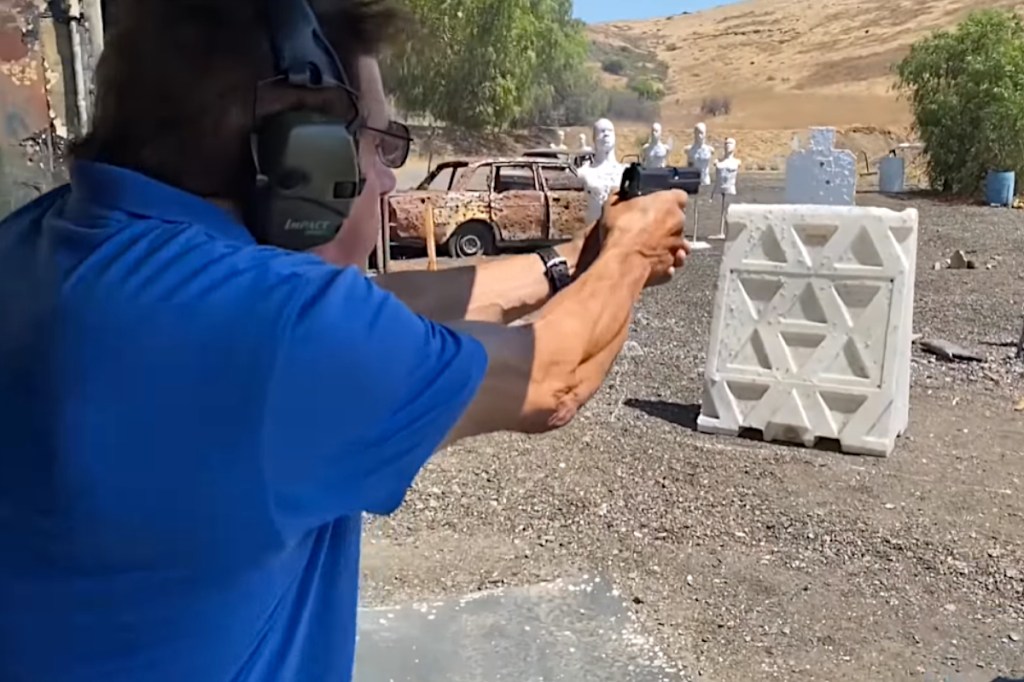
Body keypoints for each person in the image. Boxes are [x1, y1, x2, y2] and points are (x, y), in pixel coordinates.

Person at [0, 1, 689, 681]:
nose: (388, 178)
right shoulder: (279, 330)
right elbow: (553, 379)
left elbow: (373, 309)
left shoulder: (43, 243)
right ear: (299, 155)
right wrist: (631, 254)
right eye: (381, 144)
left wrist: (564, 262)